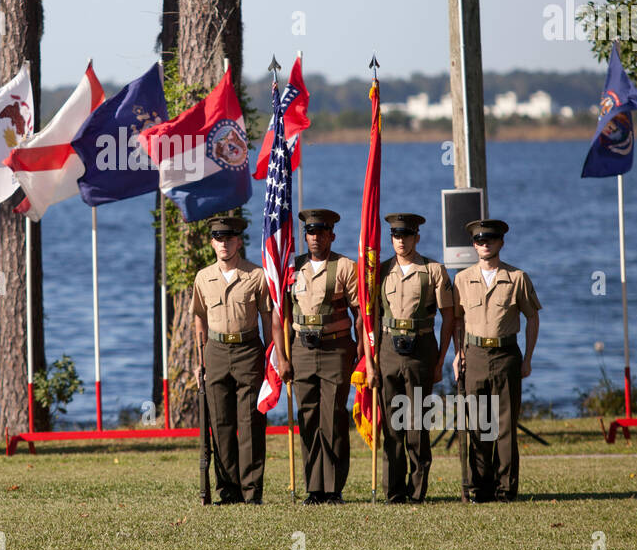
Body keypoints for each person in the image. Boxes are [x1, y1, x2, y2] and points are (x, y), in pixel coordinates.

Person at [192, 216, 281, 504]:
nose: (224, 244)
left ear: (239, 241)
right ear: (212, 242)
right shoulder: (203, 277)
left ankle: (252, 491)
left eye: (229, 239)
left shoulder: (256, 275)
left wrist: (272, 356)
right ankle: (228, 491)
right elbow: (199, 318)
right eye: (219, 239)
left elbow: (268, 317)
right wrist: (200, 359)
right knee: (221, 424)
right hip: (216, 353)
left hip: (248, 351)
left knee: (252, 422)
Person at [451, 218, 541, 503]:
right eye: (479, 240)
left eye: (490, 239)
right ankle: (479, 488)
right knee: (478, 425)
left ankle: (505, 490)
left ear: (501, 242)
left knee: (504, 426)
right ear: (473, 245)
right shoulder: (462, 279)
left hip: (505, 356)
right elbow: (457, 320)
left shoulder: (517, 278)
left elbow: (532, 317)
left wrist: (528, 358)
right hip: (475, 355)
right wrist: (458, 353)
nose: (484, 244)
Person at [367, 212, 455, 504]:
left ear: (417, 237)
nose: (401, 240)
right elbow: (372, 319)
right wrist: (372, 361)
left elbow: (449, 317)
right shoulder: (379, 272)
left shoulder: (433, 270)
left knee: (417, 424)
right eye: (395, 235)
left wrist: (441, 359)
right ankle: (393, 491)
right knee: (392, 426)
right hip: (389, 349)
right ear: (390, 238)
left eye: (406, 235)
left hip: (421, 348)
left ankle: (416, 491)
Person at [282, 209, 361, 504]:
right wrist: (284, 355)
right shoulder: (293, 267)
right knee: (308, 416)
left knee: (333, 417)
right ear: (305, 236)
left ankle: (333, 487)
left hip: (335, 348)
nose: (315, 238)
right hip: (302, 349)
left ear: (332, 236)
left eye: (321, 233)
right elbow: (284, 312)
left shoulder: (344, 267)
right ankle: (314, 487)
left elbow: (359, 313)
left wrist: (361, 349)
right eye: (311, 233)